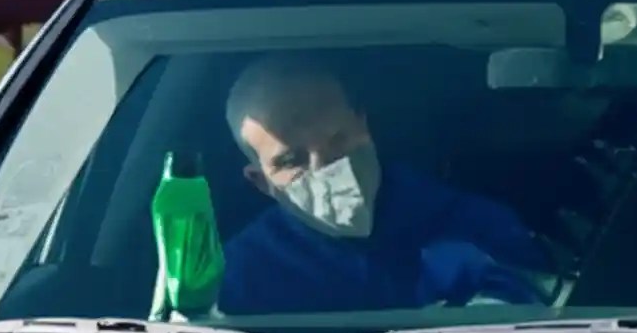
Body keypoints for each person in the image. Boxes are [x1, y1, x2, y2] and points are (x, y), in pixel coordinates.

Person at [216, 54, 549, 315]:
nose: (324, 166)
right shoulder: (241, 272)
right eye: (292, 161)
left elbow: (533, 313)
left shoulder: (473, 225)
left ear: (363, 125)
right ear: (261, 182)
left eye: (337, 139)